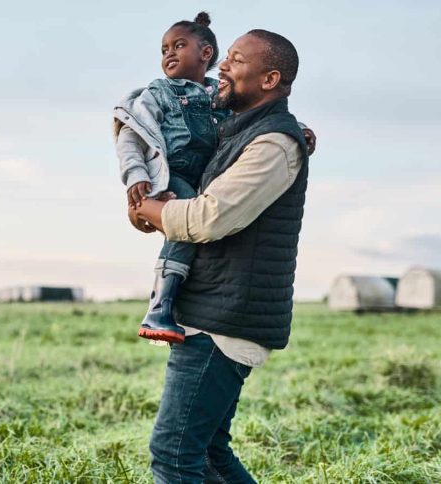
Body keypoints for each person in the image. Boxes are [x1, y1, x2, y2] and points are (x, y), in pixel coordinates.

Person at [128, 29, 315, 483]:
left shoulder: (273, 143)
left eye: (236, 60)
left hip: (224, 321)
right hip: (215, 311)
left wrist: (150, 209)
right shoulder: (242, 131)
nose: (222, 67)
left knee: (173, 454)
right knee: (208, 451)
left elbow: (210, 217)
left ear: (270, 79)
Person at [113, 12, 229, 344]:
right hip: (173, 176)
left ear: (205, 54)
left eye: (179, 46)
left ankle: (195, 305)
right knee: (182, 230)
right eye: (164, 49)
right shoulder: (159, 92)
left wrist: (297, 127)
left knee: (210, 234)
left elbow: (259, 114)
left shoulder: (222, 93)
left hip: (211, 178)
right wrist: (136, 175)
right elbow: (131, 137)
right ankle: (158, 309)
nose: (169, 54)